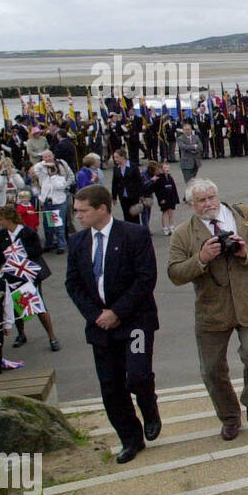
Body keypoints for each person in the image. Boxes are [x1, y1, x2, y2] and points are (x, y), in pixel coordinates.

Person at [167, 178, 248, 441]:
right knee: (211, 369)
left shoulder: (244, 215)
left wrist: (245, 250)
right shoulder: (184, 233)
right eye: (201, 201)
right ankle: (229, 416)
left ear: (218, 196)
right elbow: (175, 273)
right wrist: (201, 259)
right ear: (191, 205)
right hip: (212, 311)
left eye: (211, 198)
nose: (208, 204)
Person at [65, 184, 161, 463]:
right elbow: (72, 283)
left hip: (136, 322)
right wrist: (96, 315)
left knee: (138, 375)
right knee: (111, 385)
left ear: (102, 209)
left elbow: (146, 279)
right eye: (76, 211)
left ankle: (149, 408)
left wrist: (117, 312)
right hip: (100, 326)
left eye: (82, 211)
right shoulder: (78, 242)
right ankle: (130, 439)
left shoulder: (134, 235)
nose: (78, 216)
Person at [0, 205, 60, 351]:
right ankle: (21, 334)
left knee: (38, 305)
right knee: (18, 305)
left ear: (8, 219)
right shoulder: (1, 234)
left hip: (29, 273)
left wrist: (19, 252)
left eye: (0, 219)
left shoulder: (28, 232)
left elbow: (37, 250)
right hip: (12, 274)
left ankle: (52, 337)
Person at [150, 162, 181, 235]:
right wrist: (161, 199)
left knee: (171, 212)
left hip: (171, 198)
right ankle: (165, 228)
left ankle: (172, 226)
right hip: (164, 199)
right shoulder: (159, 178)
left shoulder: (170, 178)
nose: (167, 169)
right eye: (165, 168)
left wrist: (176, 198)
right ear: (161, 169)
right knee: (165, 212)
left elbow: (174, 189)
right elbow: (157, 191)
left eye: (168, 168)